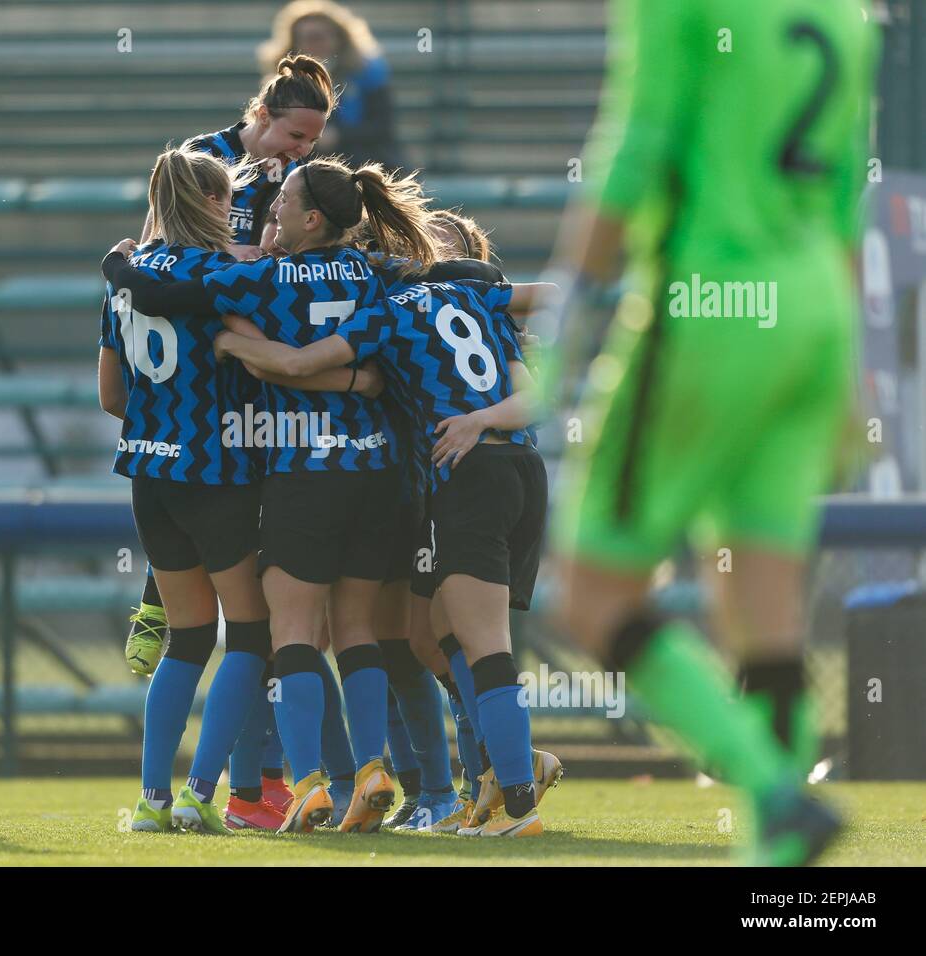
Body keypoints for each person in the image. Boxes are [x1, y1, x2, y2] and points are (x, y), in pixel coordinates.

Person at [539, 0, 878, 864]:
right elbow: (844, 195)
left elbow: (639, 138)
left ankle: (771, 789)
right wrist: (848, 376)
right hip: (815, 315)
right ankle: (776, 858)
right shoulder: (844, 12)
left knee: (594, 592)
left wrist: (568, 299)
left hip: (711, 306)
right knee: (766, 610)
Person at [103, 157, 453, 833]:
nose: (263, 216)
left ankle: (273, 787)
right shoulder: (372, 273)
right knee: (333, 632)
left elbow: (128, 365)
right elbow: (364, 349)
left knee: (233, 635)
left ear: (308, 216)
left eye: (276, 205)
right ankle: (365, 770)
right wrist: (360, 385)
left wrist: (116, 270)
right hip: (346, 472)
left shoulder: (252, 277)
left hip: (209, 472)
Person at [214, 271, 559, 837]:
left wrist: (230, 338)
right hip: (524, 472)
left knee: (484, 647)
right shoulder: (475, 300)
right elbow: (539, 393)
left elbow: (299, 364)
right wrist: (486, 415)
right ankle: (498, 777)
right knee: (438, 635)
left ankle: (517, 806)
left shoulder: (387, 310)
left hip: (465, 475)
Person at [260, 0, 403, 170]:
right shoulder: (283, 84)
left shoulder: (367, 72)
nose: (313, 45)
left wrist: (339, 136)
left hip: (365, 161)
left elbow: (382, 127)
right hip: (306, 165)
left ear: (339, 39)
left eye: (319, 37)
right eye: (305, 39)